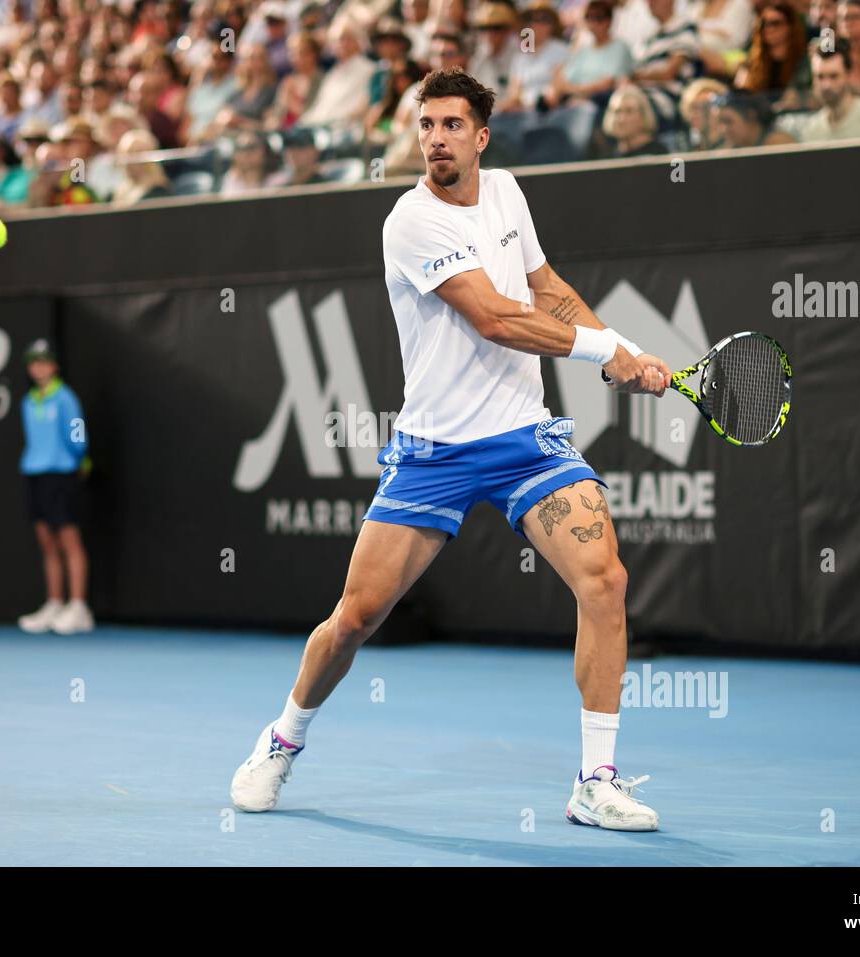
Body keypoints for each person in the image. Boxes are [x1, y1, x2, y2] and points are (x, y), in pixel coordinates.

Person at [230, 67, 672, 831]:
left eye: (451, 125)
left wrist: (627, 347)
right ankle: (282, 737)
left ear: (480, 136)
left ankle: (594, 779)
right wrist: (605, 352)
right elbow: (496, 319)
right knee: (356, 618)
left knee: (604, 581)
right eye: (426, 124)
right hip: (435, 449)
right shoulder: (409, 221)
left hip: (527, 442)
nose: (435, 138)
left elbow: (543, 287)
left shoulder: (506, 193)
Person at [17, 339, 95, 636]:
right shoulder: (28, 401)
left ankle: (78, 607)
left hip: (62, 474)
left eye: (44, 361)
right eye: (33, 362)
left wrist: (78, 458)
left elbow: (78, 433)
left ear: (54, 366)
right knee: (47, 542)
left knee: (69, 540)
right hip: (35, 474)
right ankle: (55, 602)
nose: (38, 367)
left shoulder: (66, 398)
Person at [801, 42, 860, 140]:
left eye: (834, 76)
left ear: (848, 75)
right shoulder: (812, 130)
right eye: (820, 77)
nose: (826, 85)